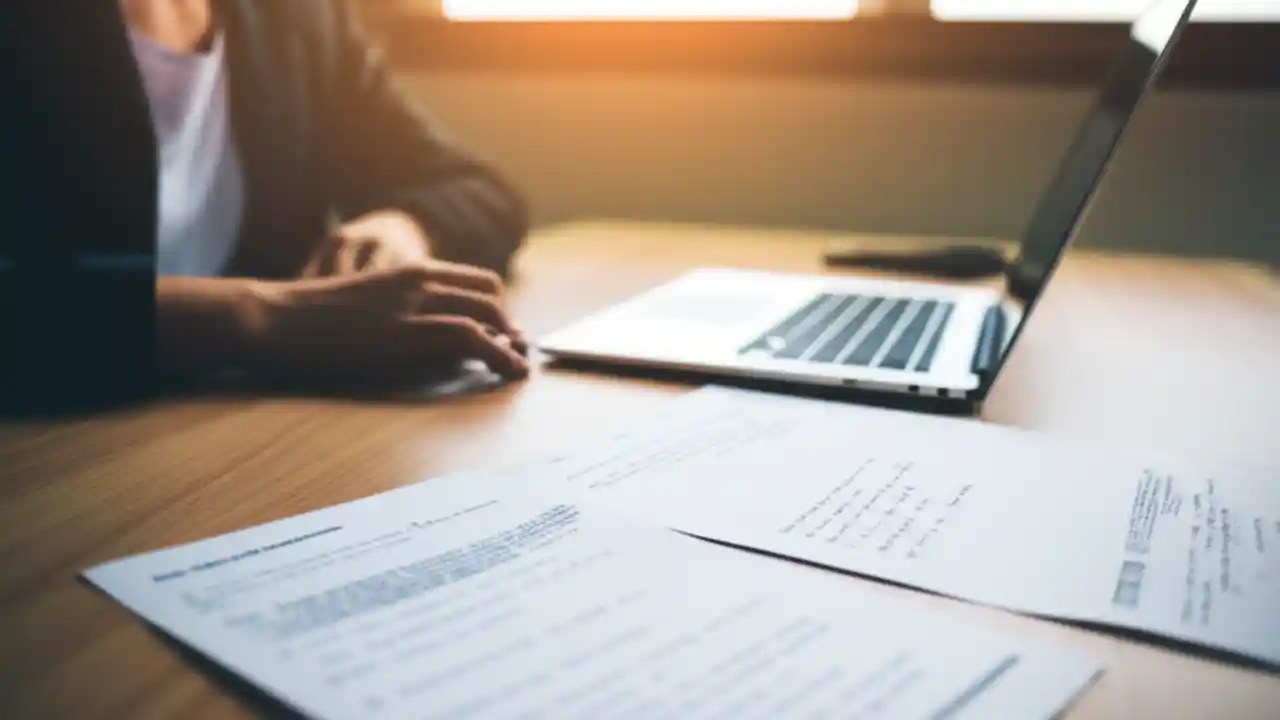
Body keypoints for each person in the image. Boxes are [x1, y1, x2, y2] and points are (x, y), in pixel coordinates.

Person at [1, 0, 529, 409]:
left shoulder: (293, 14)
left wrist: (401, 229)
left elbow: (477, 188)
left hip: (243, 433)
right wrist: (266, 319)